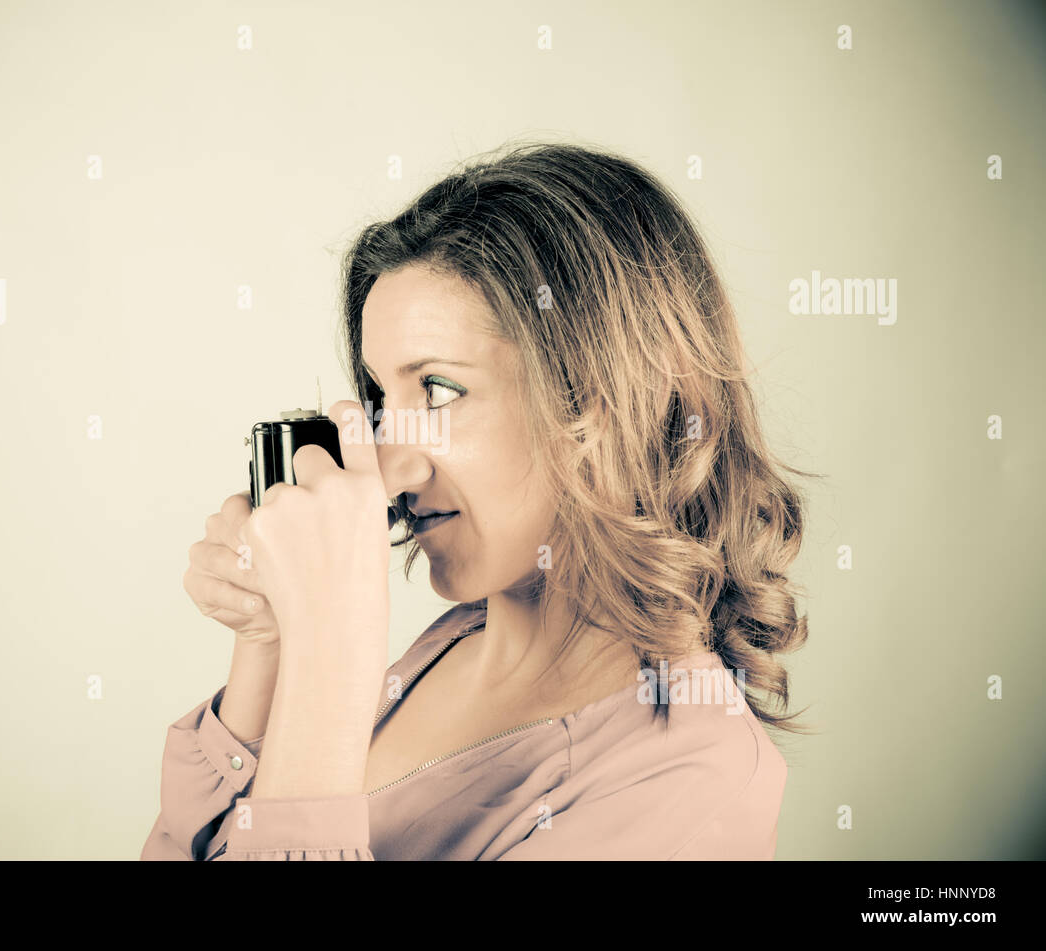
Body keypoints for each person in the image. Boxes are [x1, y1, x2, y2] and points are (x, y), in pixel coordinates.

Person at [141, 141, 818, 860]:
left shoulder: (693, 782)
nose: (389, 467)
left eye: (437, 389)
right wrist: (270, 646)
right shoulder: (456, 640)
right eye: (379, 397)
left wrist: (330, 662)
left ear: (607, 400)